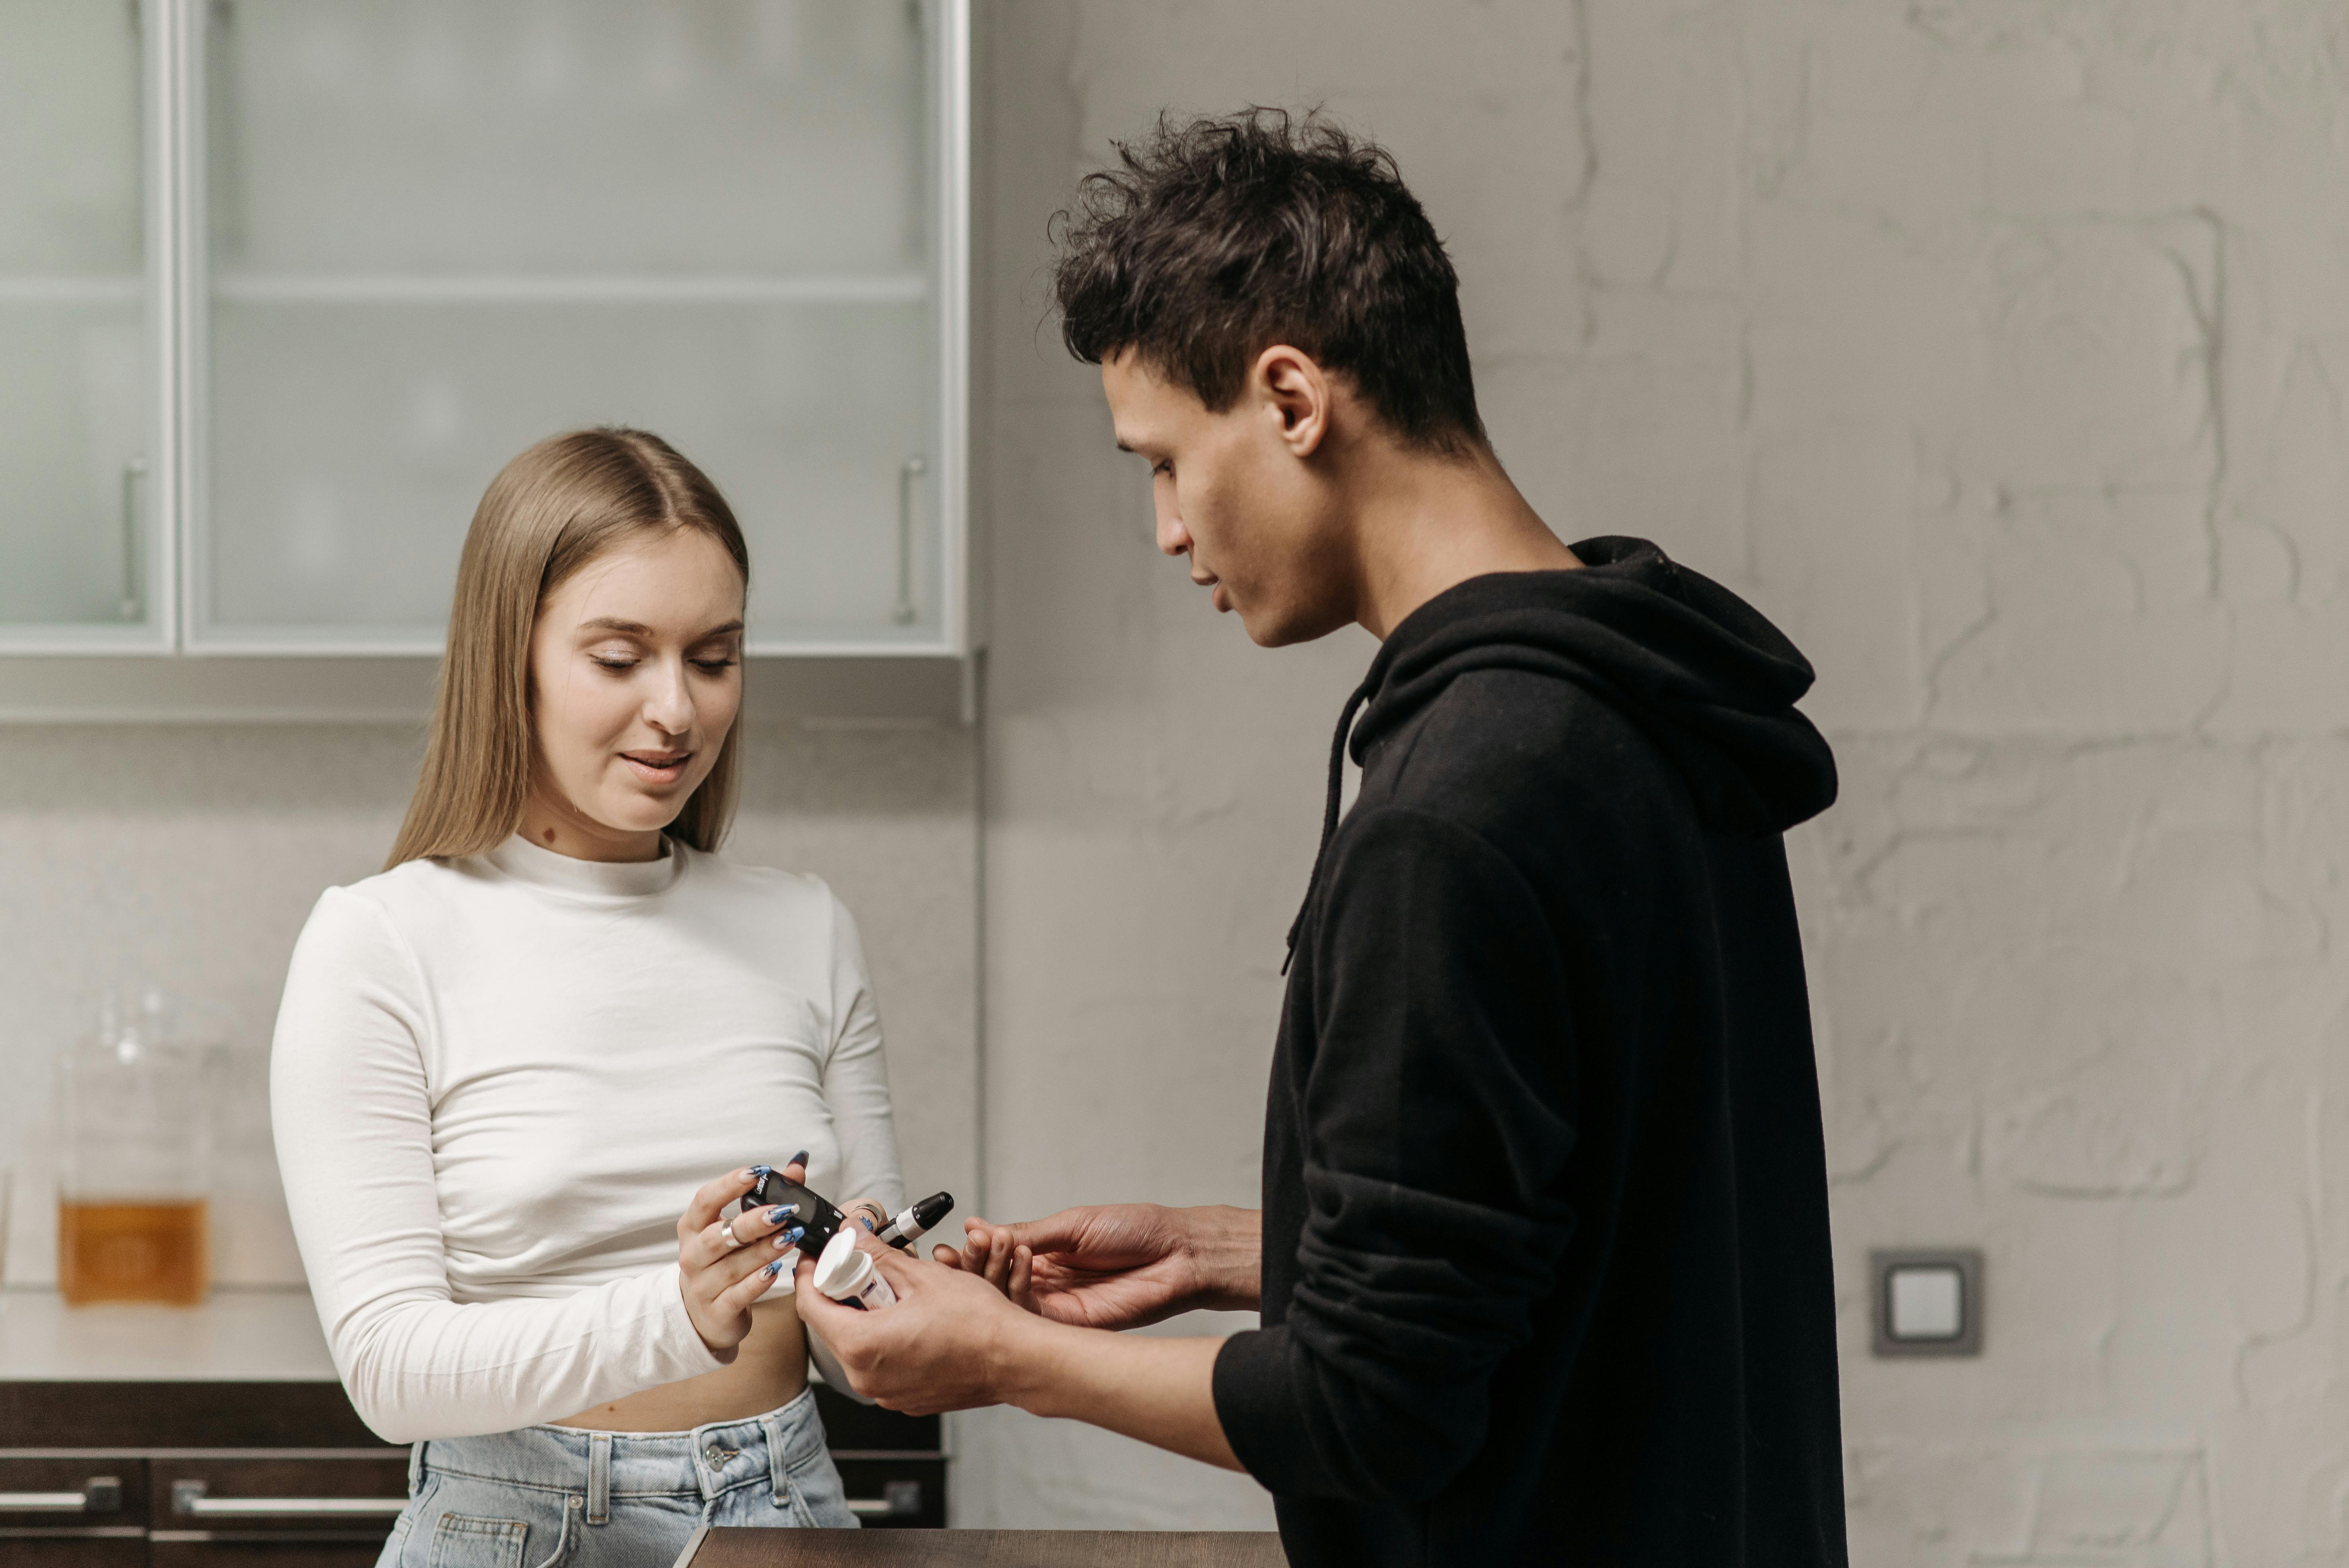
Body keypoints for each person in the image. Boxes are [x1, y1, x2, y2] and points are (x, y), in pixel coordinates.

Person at [793, 111, 1850, 1565]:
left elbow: (1375, 1409)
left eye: (1163, 460)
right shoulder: (1636, 717)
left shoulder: (1448, 816)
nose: (1167, 530)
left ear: (1291, 398)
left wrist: (998, 1359)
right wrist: (1257, 1247)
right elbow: (1613, 1229)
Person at [271, 429, 903, 1564]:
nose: (677, 710)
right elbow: (389, 1371)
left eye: (714, 659)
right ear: (508, 658)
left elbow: (872, 1327)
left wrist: (916, 1281)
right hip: (509, 1521)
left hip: (782, 1511)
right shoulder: (380, 942)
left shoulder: (804, 925)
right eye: (621, 659)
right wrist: (681, 1315)